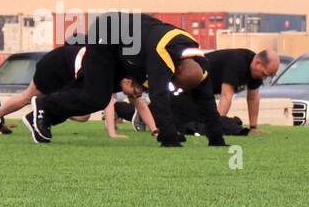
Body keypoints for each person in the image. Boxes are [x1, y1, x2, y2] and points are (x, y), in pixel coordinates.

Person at [24, 13, 224, 147]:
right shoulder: (162, 53)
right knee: (96, 97)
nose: (174, 86)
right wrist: (168, 137)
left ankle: (43, 114)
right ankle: (44, 105)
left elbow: (207, 101)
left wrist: (216, 139)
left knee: (93, 93)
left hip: (127, 51)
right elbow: (159, 96)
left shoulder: (200, 67)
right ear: (176, 67)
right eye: (175, 82)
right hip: (108, 34)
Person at [0, 44, 154, 139]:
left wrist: (155, 130)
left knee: (84, 116)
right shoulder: (110, 74)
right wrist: (113, 133)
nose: (135, 96)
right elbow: (109, 104)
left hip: (71, 71)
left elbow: (141, 106)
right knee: (28, 96)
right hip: (57, 64)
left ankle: (37, 115)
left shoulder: (127, 81)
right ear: (128, 81)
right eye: (136, 91)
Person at [178, 47, 280, 135]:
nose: (264, 78)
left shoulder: (255, 71)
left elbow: (253, 98)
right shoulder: (238, 62)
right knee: (189, 124)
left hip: (203, 93)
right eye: (264, 74)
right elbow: (226, 96)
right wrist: (217, 126)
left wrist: (253, 128)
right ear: (258, 63)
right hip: (188, 87)